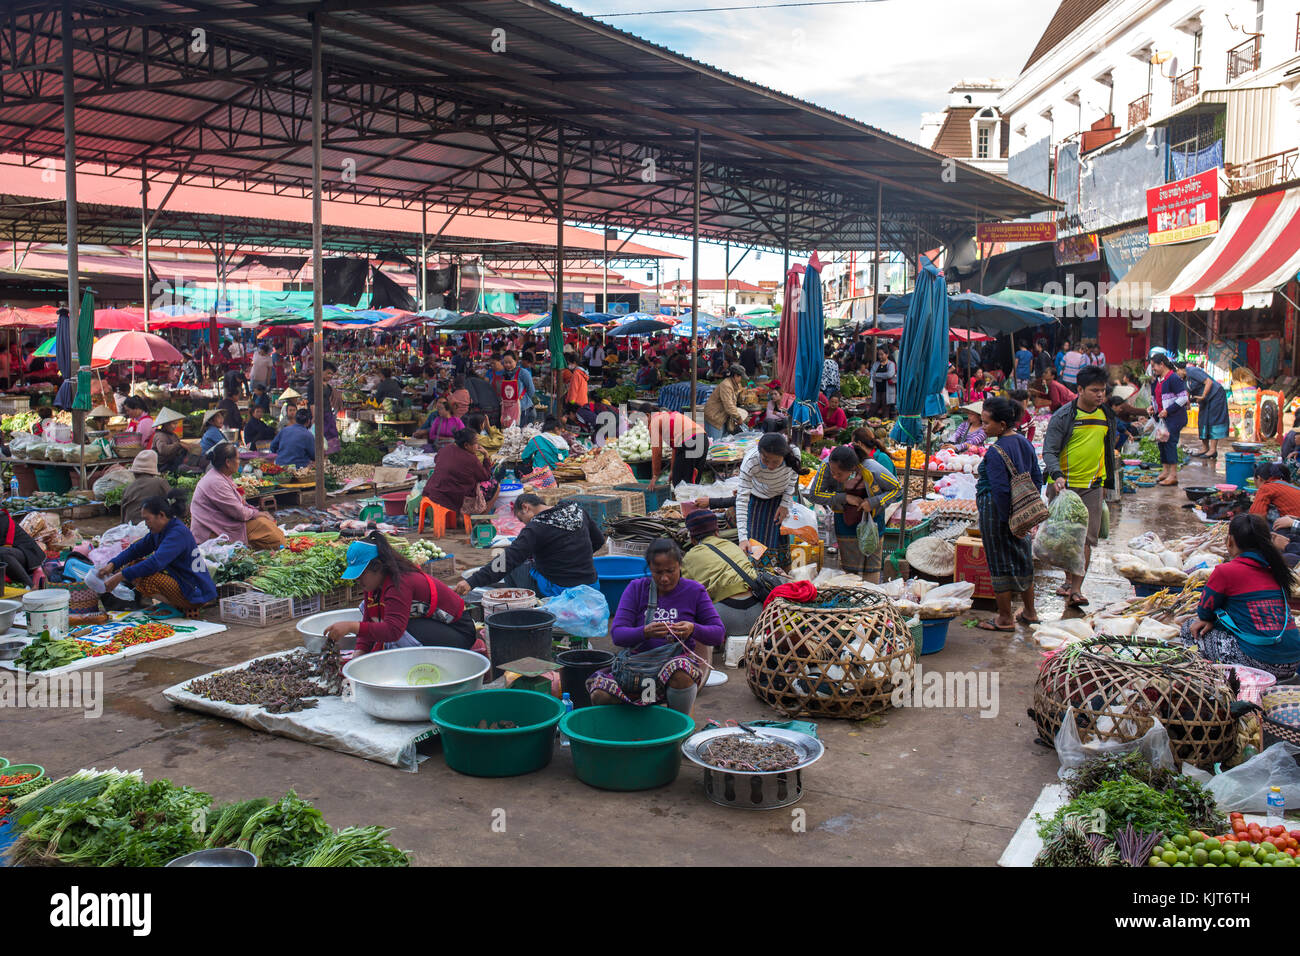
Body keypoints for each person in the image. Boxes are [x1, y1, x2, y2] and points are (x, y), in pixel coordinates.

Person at [588, 538, 725, 713]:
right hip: (638, 670)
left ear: (680, 566)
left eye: (670, 571)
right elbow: (618, 634)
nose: (665, 578)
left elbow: (718, 633)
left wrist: (692, 629)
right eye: (657, 572)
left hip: (674, 670)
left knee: (680, 672)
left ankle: (679, 725)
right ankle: (637, 725)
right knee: (600, 693)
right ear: (649, 569)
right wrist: (645, 632)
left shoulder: (694, 591)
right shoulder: (636, 588)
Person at [1177, 514, 1300, 680]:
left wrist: (1210, 620)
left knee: (1189, 628)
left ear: (1230, 541)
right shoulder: (1277, 569)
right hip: (1293, 662)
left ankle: (1210, 684)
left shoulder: (1225, 571)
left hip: (1263, 663)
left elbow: (1204, 612)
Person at [1041, 365, 1117, 608]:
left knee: (1086, 539)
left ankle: (1076, 589)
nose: (1100, 395)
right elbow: (1049, 451)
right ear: (1080, 390)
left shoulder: (1105, 414)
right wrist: (1057, 475)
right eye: (1094, 390)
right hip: (1064, 487)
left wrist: (1106, 482)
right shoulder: (1064, 416)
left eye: (1103, 391)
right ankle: (1067, 581)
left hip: (1092, 487)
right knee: (1066, 539)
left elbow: (1106, 450)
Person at [325, 534, 476, 654]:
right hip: (430, 627)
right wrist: (358, 656)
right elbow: (370, 621)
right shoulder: (373, 586)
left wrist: (351, 626)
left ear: (377, 567)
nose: (358, 580)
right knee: (370, 610)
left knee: (399, 629)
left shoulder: (400, 583)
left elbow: (392, 631)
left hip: (459, 632)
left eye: (360, 574)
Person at [974, 396, 1042, 631]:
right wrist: (1026, 513)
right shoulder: (1024, 443)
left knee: (1000, 563)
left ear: (1002, 425)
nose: (983, 428)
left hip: (998, 513)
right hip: (1022, 511)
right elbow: (1037, 477)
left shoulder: (996, 451)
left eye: (986, 423)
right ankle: (1030, 612)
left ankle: (1004, 618)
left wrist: (1007, 521)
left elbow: (1001, 490)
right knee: (1023, 560)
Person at [97, 490, 217, 618]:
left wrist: (120, 576)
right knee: (136, 564)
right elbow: (136, 549)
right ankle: (174, 603)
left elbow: (155, 563)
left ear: (161, 515)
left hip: (196, 592)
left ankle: (180, 606)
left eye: (147, 519)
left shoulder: (177, 533)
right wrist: (113, 564)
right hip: (184, 583)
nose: (145, 524)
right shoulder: (160, 531)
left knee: (147, 578)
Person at [455, 494, 603, 597]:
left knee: (514, 564)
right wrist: (575, 557)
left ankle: (523, 610)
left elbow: (506, 561)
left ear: (526, 507)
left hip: (559, 589)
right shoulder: (577, 511)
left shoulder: (536, 527)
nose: (523, 524)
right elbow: (598, 541)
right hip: (591, 583)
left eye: (521, 519)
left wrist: (472, 582)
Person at [808, 443, 901, 582]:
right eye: (833, 472)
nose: (834, 476)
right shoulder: (827, 466)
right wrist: (844, 498)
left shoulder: (872, 468)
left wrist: (873, 502)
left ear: (852, 469)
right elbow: (814, 494)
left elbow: (897, 489)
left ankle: (872, 598)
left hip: (873, 521)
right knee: (849, 569)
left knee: (872, 566)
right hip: (845, 521)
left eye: (839, 474)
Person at [680, 508, 764, 635]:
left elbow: (688, 594)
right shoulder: (732, 546)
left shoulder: (689, 558)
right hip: (759, 612)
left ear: (692, 538)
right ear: (717, 532)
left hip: (724, 617)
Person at [736, 432, 802, 567]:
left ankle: (782, 580)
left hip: (780, 500)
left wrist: (785, 504)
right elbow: (742, 500)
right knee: (757, 550)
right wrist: (742, 538)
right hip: (757, 501)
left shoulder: (794, 453)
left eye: (776, 462)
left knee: (780, 545)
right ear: (759, 452)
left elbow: (793, 479)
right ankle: (761, 582)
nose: (770, 466)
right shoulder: (750, 462)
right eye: (765, 460)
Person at [189, 441, 265, 548]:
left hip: (219, 524)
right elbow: (240, 513)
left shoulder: (221, 476)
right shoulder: (216, 482)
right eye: (238, 459)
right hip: (208, 534)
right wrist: (256, 513)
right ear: (228, 462)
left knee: (264, 524)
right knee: (266, 528)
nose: (239, 462)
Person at [422, 427, 497, 516]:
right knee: (495, 485)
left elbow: (436, 459)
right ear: (466, 445)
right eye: (476, 443)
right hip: (452, 497)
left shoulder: (446, 448)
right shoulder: (471, 459)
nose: (478, 446)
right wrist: (486, 456)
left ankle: (459, 518)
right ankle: (481, 519)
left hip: (432, 491)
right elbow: (486, 476)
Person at [1149, 352, 1188, 486]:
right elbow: (1155, 398)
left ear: (1162, 364)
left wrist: (1168, 410)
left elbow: (1183, 398)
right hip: (1163, 418)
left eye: (1154, 366)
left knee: (1170, 443)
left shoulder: (1173, 378)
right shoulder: (1157, 380)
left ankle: (1173, 475)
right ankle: (1165, 471)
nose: (1153, 369)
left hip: (1174, 418)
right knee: (1161, 442)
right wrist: (1152, 408)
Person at [648, 408, 708, 489]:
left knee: (681, 484)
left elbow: (657, 453)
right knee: (693, 482)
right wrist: (673, 470)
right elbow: (675, 449)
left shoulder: (654, 422)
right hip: (703, 439)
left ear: (648, 415)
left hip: (690, 441)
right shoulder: (668, 417)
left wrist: (655, 476)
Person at [1180, 362, 1229, 462]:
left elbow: (1208, 382)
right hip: (1204, 399)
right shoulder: (1184, 379)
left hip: (1216, 395)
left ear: (1180, 369)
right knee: (1202, 420)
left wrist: (1203, 396)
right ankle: (1204, 448)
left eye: (1176, 373)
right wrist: (1187, 403)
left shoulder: (1192, 371)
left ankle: (1213, 450)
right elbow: (1187, 392)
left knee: (1213, 420)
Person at [119, 450, 172, 525]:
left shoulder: (127, 489)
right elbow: (177, 505)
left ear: (134, 473)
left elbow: (122, 520)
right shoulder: (160, 483)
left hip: (129, 530)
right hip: (149, 529)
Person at [0, 509, 44, 588]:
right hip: (12, 555)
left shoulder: (1, 518)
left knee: (2, 553)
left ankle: (30, 586)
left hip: (28, 556)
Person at [702, 363, 746, 440]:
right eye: (740, 377)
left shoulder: (734, 385)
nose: (741, 380)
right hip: (714, 418)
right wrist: (738, 417)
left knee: (722, 443)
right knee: (715, 444)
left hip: (722, 417)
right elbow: (729, 405)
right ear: (735, 376)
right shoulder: (726, 385)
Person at [151, 408, 187, 473]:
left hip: (172, 462)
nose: (175, 426)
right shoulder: (160, 435)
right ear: (165, 424)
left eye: (176, 423)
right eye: (173, 423)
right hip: (163, 466)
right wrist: (178, 444)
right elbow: (163, 450)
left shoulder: (173, 435)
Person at [495, 351, 524, 428]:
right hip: (505, 405)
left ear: (516, 361)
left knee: (514, 426)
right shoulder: (502, 374)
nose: (507, 365)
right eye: (505, 362)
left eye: (510, 362)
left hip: (516, 406)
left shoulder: (522, 373)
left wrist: (522, 401)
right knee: (505, 424)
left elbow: (530, 390)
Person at [870, 347, 897, 417]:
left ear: (887, 354)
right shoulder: (876, 364)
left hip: (887, 391)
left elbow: (889, 375)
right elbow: (872, 375)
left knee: (886, 410)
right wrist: (882, 377)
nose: (880, 356)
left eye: (882, 354)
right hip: (877, 391)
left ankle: (884, 423)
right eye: (879, 355)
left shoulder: (891, 364)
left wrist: (877, 375)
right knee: (873, 409)